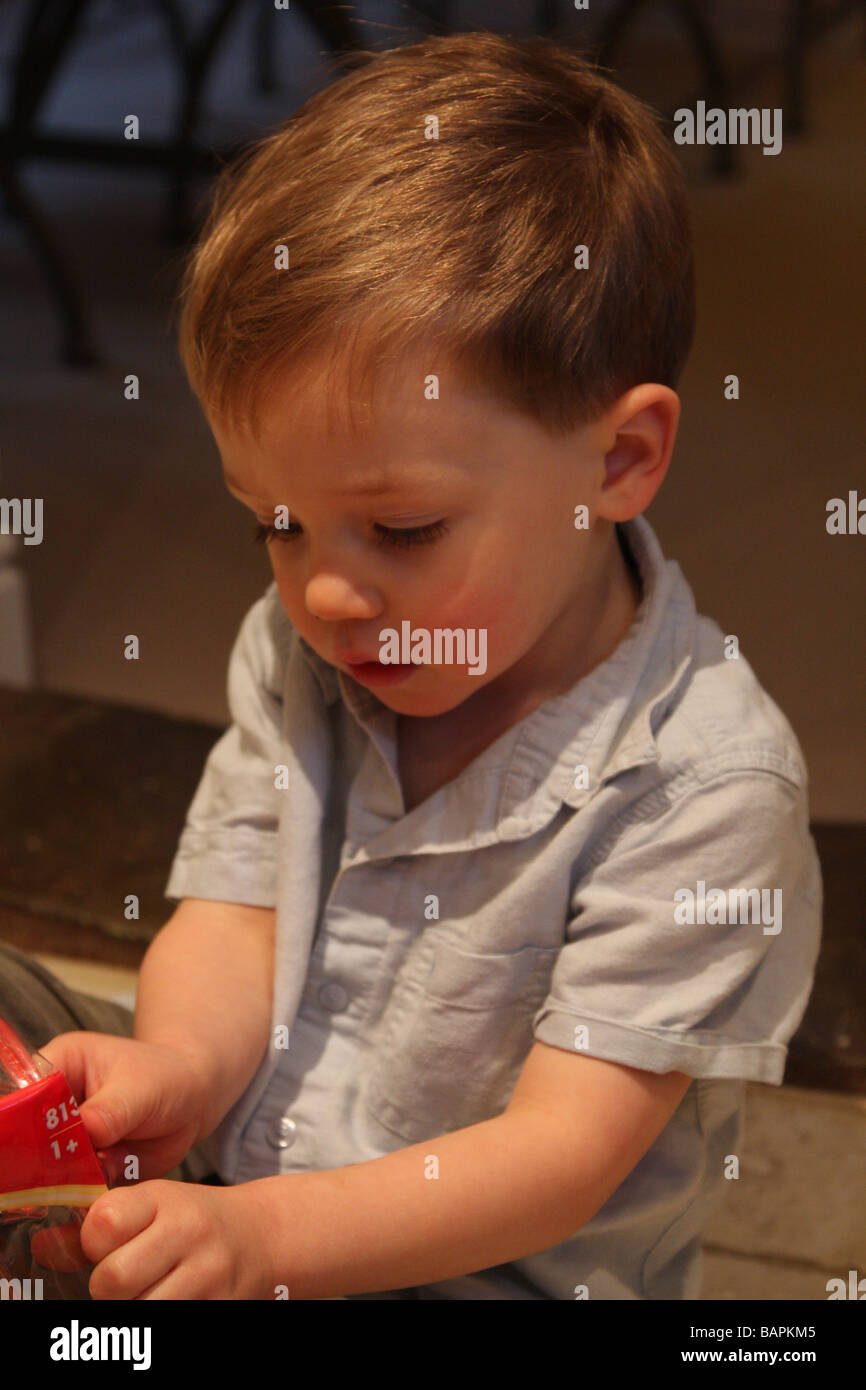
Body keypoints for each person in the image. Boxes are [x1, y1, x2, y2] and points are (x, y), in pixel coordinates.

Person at [5, 31, 822, 1300]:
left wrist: (264, 1243)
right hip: (244, 1164)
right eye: (276, 524)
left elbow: (558, 1157)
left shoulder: (704, 788)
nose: (323, 593)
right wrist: (180, 1073)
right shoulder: (302, 649)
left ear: (618, 461)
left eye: (401, 530)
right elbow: (232, 915)